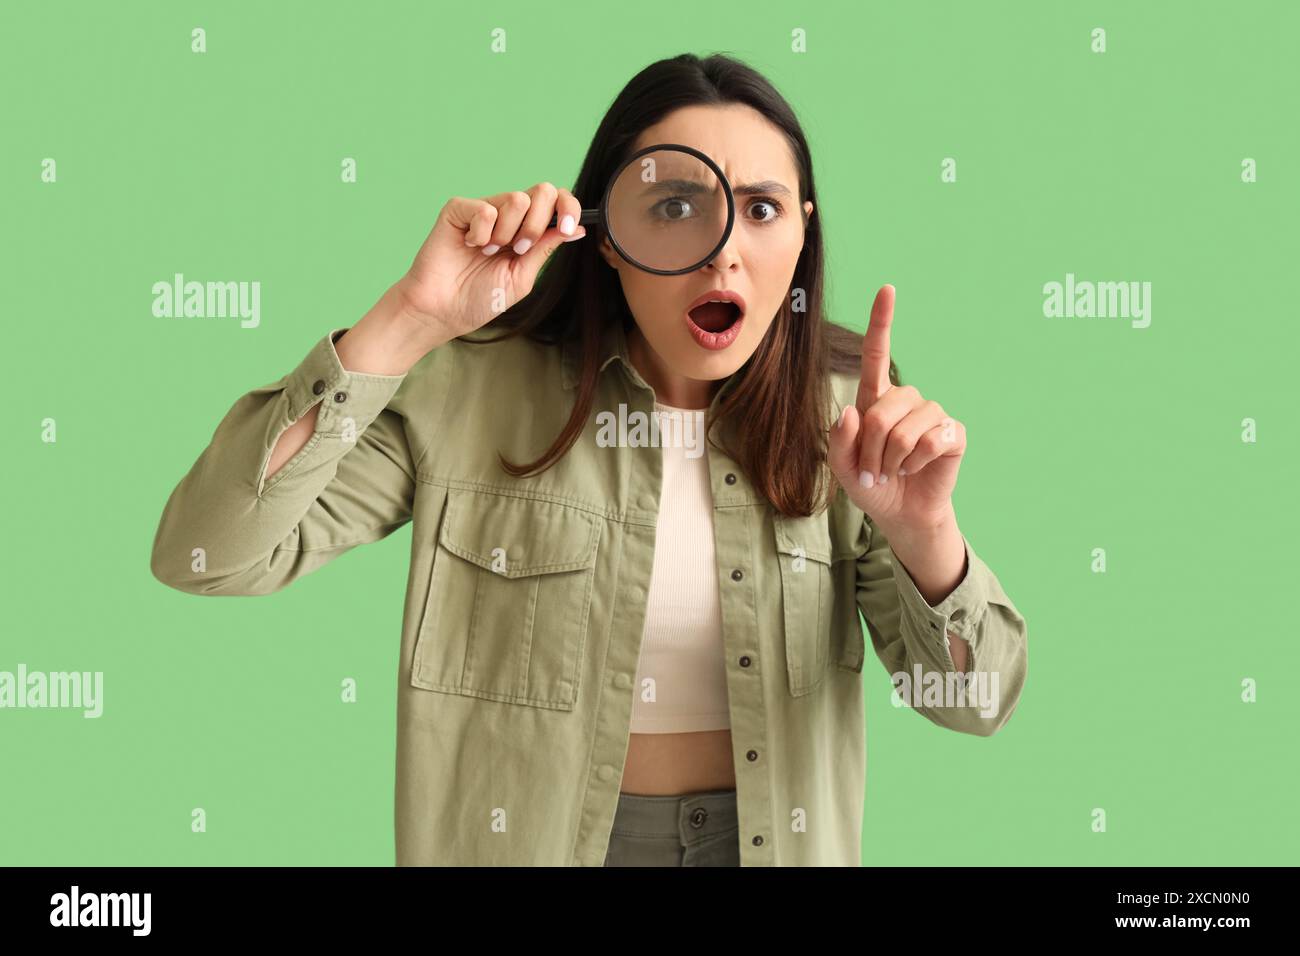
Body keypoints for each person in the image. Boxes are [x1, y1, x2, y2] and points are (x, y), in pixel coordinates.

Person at [150, 52, 1028, 867]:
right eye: (675, 205)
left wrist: (926, 535)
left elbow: (975, 703)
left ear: (803, 232)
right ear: (607, 235)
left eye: (760, 209)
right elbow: (209, 556)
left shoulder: (845, 420)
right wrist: (412, 317)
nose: (723, 247)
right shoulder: (468, 390)